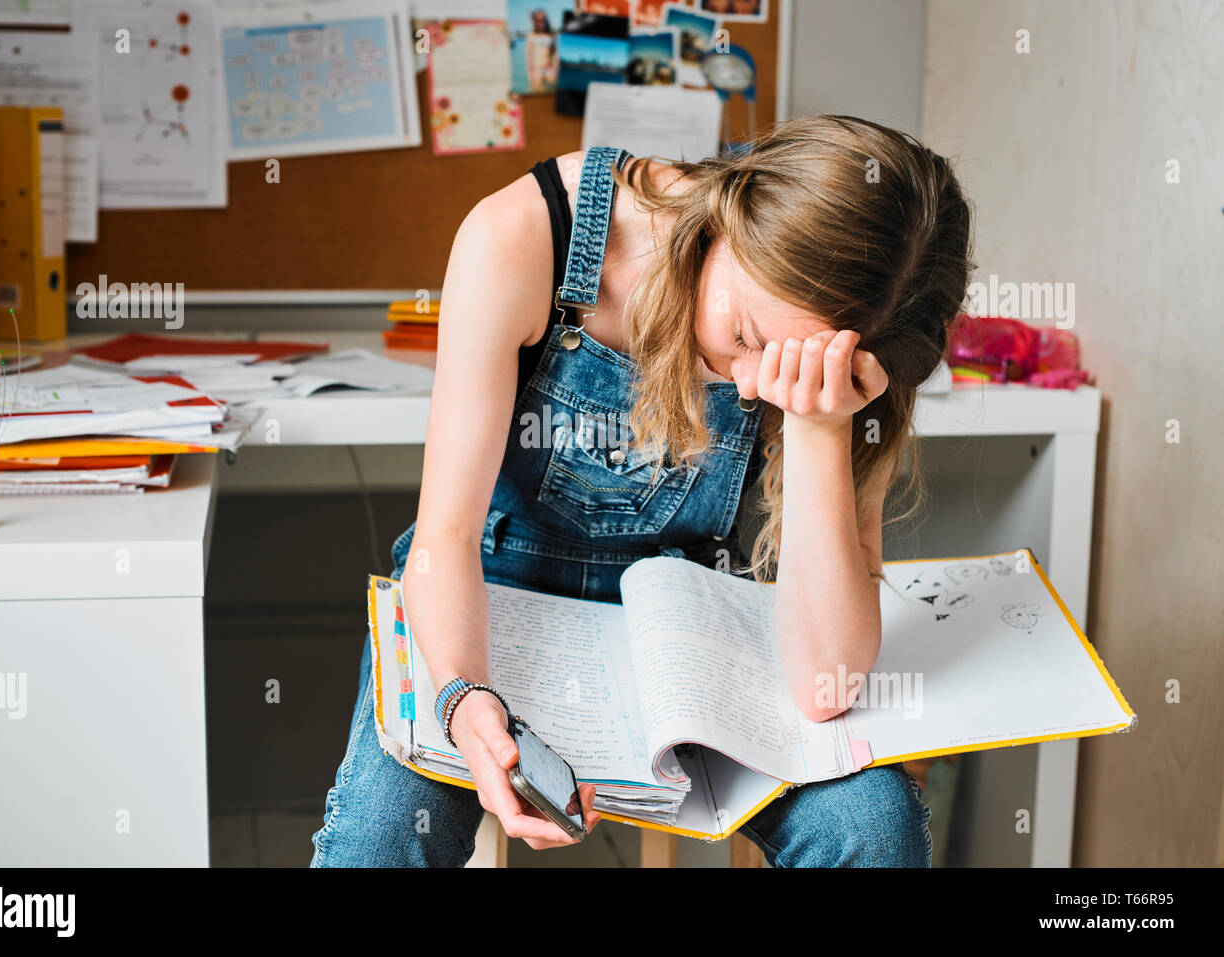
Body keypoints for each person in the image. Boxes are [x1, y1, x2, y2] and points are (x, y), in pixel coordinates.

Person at [311, 115, 974, 867]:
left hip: (687, 636)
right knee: (379, 835)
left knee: (875, 827)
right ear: (734, 218)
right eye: (749, 338)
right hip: (488, 603)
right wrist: (464, 699)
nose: (755, 384)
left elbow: (827, 682)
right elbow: (443, 541)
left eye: (795, 376)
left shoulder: (857, 346)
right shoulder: (525, 238)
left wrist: (820, 426)